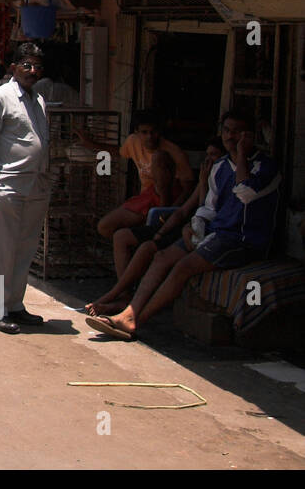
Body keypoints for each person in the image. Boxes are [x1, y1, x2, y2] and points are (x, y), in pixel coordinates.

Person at [87, 110, 279, 341]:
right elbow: (209, 207)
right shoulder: (219, 167)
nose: (230, 136)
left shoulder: (265, 167)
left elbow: (245, 192)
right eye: (227, 131)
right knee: (161, 257)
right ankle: (128, 309)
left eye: (237, 132)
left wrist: (241, 155)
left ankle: (135, 321)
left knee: (183, 266)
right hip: (215, 233)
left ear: (249, 135)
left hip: (242, 240)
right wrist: (194, 227)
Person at [86, 136, 226, 317]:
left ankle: (123, 302)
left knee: (150, 250)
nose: (209, 161)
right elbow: (182, 213)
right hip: (179, 224)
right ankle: (122, 295)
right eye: (207, 156)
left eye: (214, 156)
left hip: (201, 231)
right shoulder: (206, 179)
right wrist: (161, 232)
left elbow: (203, 212)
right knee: (124, 237)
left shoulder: (221, 178)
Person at [0, 43, 51, 335]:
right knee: (3, 250)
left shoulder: (39, 100)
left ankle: (15, 305)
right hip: (8, 184)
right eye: (27, 65)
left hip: (36, 185)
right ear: (14, 68)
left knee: (25, 247)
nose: (32, 71)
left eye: (37, 67)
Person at [76, 109, 193, 242]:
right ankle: (139, 246)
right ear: (136, 132)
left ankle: (157, 225)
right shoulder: (132, 142)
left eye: (153, 132)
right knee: (104, 227)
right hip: (146, 197)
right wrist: (90, 144)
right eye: (144, 132)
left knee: (158, 157)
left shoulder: (173, 151)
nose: (150, 137)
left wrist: (170, 214)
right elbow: (119, 152)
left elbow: (187, 188)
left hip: (168, 199)